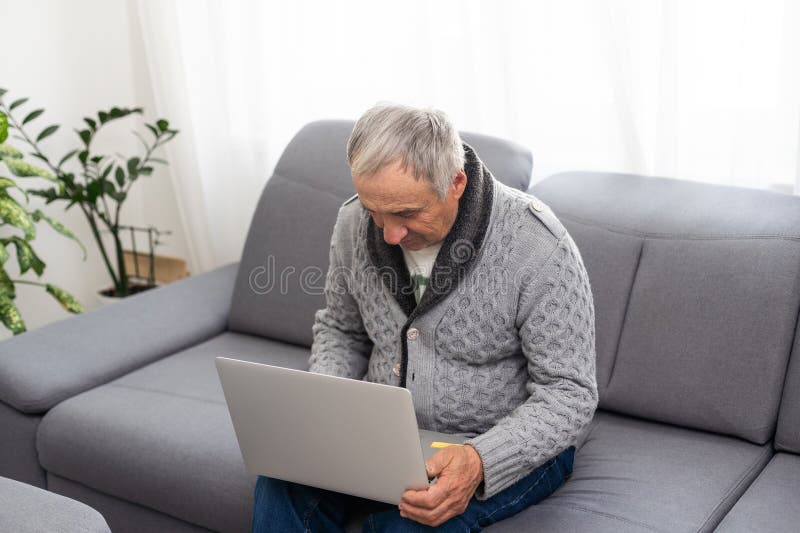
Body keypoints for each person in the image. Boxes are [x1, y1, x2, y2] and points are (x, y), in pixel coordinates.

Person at [252, 104, 598, 532]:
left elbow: (569, 393)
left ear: (455, 182)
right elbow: (342, 331)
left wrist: (479, 460)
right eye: (374, 210)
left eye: (406, 213)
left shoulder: (538, 246)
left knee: (406, 528)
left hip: (497, 442)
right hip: (385, 435)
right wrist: (327, 410)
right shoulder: (352, 223)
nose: (389, 233)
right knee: (282, 482)